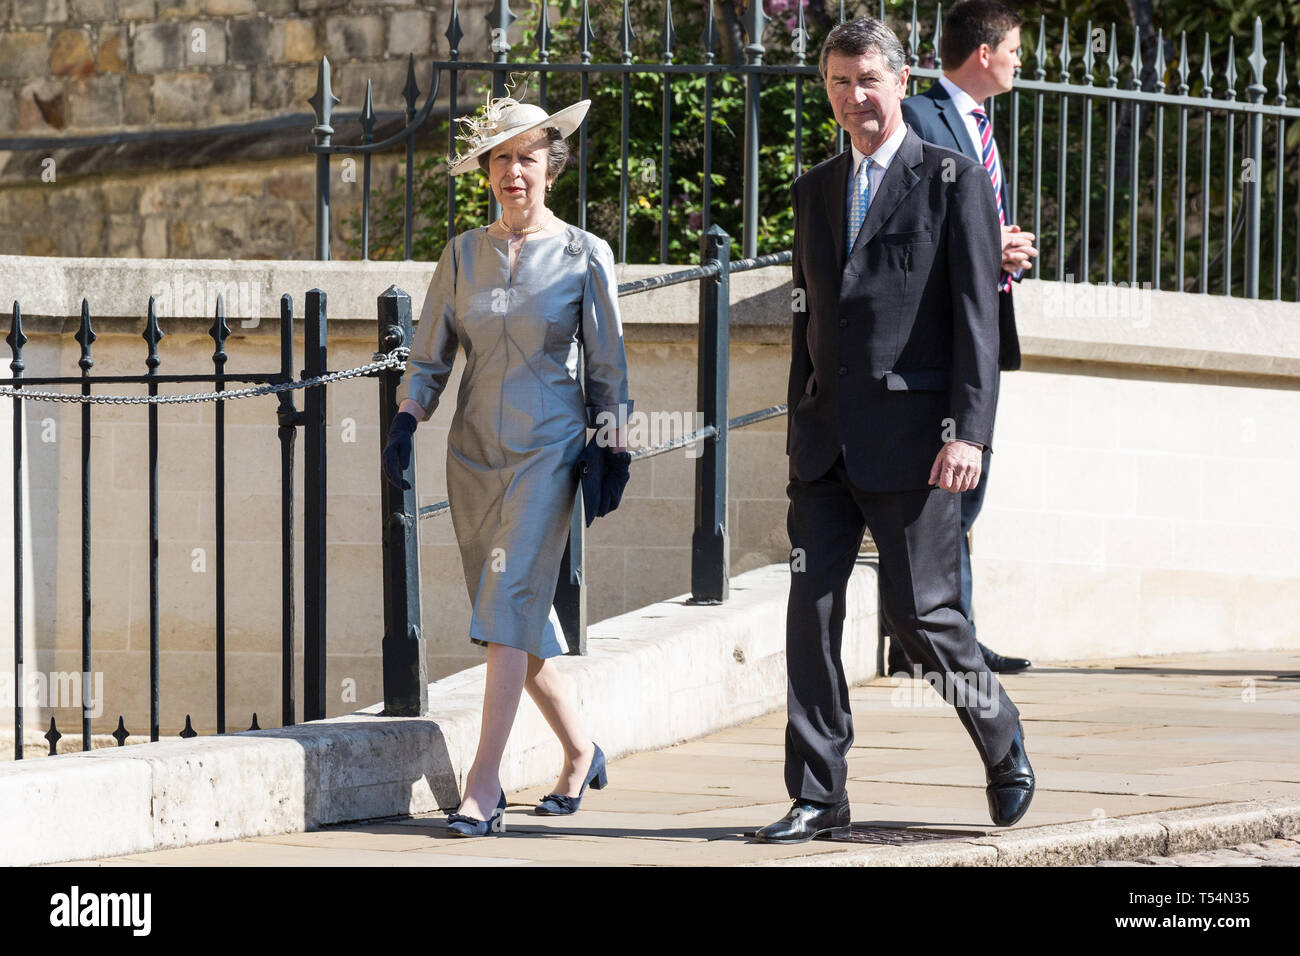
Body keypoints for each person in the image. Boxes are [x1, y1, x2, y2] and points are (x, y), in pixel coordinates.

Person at [755, 16, 1033, 844]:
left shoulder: (951, 180)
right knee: (811, 610)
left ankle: (1003, 740)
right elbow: (811, 320)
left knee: (925, 618)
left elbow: (977, 321)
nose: (854, 99)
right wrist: (801, 413)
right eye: (839, 83)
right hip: (825, 446)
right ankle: (818, 793)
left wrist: (969, 435)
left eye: (867, 81)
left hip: (920, 441)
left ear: (902, 81)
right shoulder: (812, 189)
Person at [381, 92, 633, 837]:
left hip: (550, 450)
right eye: (501, 159)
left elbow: (609, 368)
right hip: (472, 457)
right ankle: (581, 749)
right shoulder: (461, 253)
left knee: (509, 602)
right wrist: (405, 418)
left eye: (527, 157)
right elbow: (429, 355)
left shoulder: (587, 254)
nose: (513, 172)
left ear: (551, 165)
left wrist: (612, 443)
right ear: (486, 171)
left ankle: (481, 787)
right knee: (511, 620)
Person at [896, 0, 1037, 675]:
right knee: (948, 486)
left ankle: (948, 638)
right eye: (1013, 47)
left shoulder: (981, 123)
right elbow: (915, 217)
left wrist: (1000, 250)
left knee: (966, 485)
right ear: (984, 52)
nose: (1019, 59)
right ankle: (941, 643)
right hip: (939, 332)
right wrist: (990, 244)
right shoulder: (922, 117)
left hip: (984, 322)